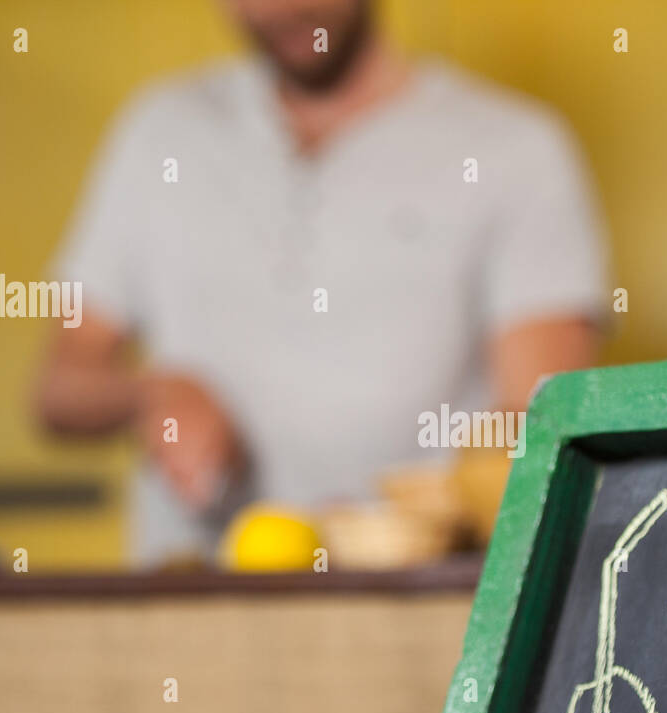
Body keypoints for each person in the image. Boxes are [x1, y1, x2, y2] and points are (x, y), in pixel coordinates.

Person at [36, 0, 609, 565]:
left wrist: (405, 517)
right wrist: (150, 394)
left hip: (419, 612)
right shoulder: (160, 132)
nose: (281, 9)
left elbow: (545, 424)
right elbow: (59, 388)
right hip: (188, 607)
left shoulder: (514, 150)